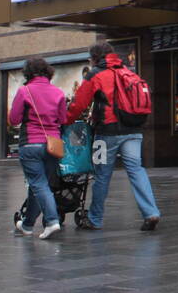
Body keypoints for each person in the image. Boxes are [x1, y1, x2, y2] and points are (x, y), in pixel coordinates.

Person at [67, 42, 161, 231]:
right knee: (136, 170)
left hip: (106, 133)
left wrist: (65, 120)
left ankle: (95, 219)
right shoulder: (127, 71)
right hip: (133, 131)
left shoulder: (95, 74)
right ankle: (151, 213)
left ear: (94, 58)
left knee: (102, 176)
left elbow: (79, 104)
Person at [8, 58, 68, 239]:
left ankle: (52, 221)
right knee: (39, 184)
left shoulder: (24, 91)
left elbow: (14, 119)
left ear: (28, 73)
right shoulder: (58, 93)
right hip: (53, 145)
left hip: (31, 144)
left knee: (38, 184)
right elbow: (63, 120)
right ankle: (27, 225)